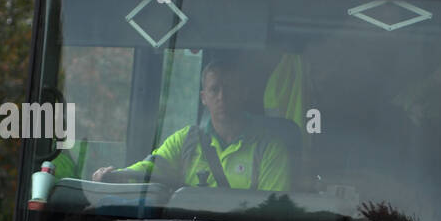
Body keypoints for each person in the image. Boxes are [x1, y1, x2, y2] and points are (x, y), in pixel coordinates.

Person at [91, 56, 293, 189]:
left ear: (244, 94)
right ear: (204, 97)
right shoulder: (185, 140)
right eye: (215, 89)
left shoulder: (269, 148)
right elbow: (150, 168)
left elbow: (271, 210)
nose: (222, 96)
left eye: (230, 88)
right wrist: (117, 177)